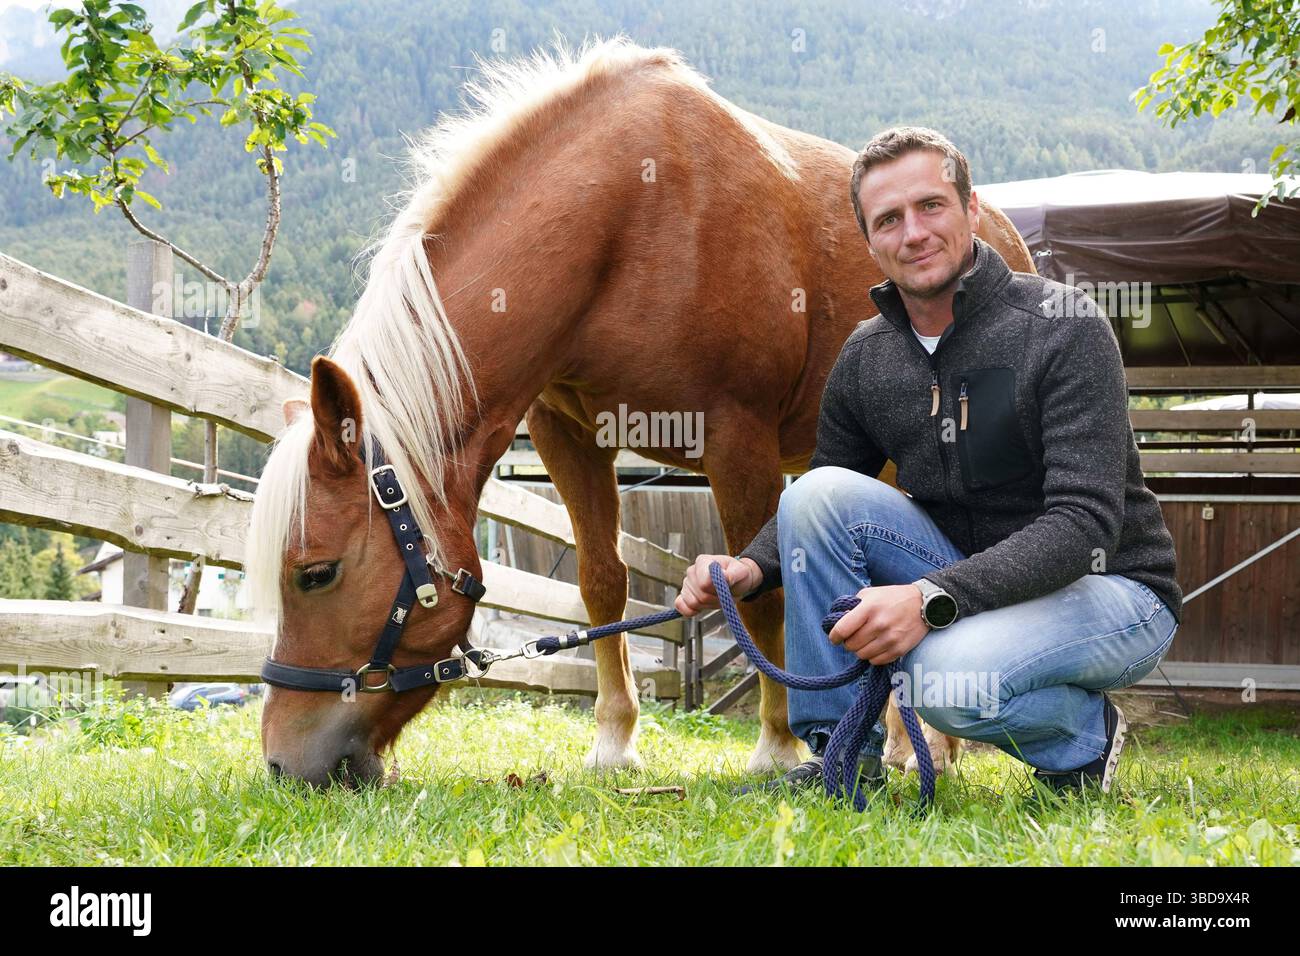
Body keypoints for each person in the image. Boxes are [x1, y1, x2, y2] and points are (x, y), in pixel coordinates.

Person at [676, 126, 1181, 798]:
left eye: (931, 206)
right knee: (821, 491)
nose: (912, 233)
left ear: (971, 210)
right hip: (967, 582)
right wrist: (750, 565)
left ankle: (1084, 739)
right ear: (869, 240)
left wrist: (930, 599)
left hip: (1113, 588)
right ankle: (839, 759)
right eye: (889, 219)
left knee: (941, 680)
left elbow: (1085, 523)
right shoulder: (865, 357)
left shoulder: (1065, 326)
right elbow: (825, 493)